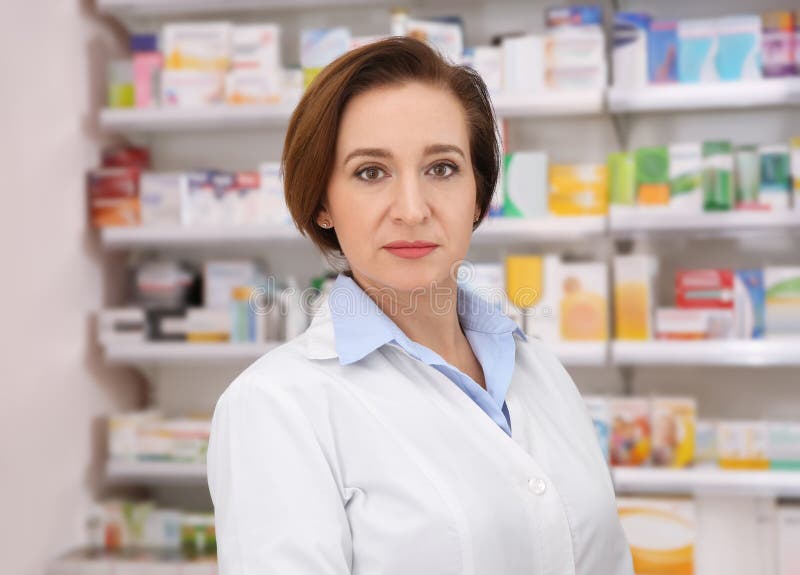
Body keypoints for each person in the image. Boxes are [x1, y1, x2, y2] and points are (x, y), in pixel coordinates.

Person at [207, 36, 633, 575]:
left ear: (478, 194)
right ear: (322, 203)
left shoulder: (539, 370)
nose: (412, 209)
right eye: (370, 172)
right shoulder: (274, 405)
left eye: (442, 169)